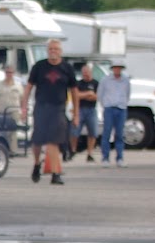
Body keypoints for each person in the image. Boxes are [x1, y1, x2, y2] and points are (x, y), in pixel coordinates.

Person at [23, 38, 75, 186]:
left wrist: (76, 112)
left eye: (56, 49)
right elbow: (28, 87)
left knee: (54, 140)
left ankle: (55, 173)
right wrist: (24, 107)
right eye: (51, 49)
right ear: (47, 51)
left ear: (61, 52)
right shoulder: (39, 67)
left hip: (58, 108)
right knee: (37, 141)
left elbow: (74, 90)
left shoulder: (67, 68)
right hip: (41, 107)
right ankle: (36, 163)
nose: (53, 52)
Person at [98, 61, 130, 168]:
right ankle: (105, 158)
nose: (117, 70)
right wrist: (105, 104)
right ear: (112, 69)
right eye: (116, 68)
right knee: (106, 133)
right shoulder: (106, 80)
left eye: (119, 68)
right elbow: (100, 94)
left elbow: (127, 93)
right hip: (109, 108)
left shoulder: (125, 80)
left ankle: (120, 158)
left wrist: (123, 103)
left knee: (120, 134)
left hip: (121, 108)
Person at [73, 61, 100, 163]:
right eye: (84, 72)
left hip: (91, 110)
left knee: (93, 132)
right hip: (80, 109)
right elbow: (76, 95)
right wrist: (88, 94)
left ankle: (90, 153)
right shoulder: (78, 83)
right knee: (75, 131)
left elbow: (97, 96)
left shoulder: (96, 83)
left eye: (87, 72)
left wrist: (85, 95)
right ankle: (73, 150)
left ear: (91, 72)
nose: (86, 74)